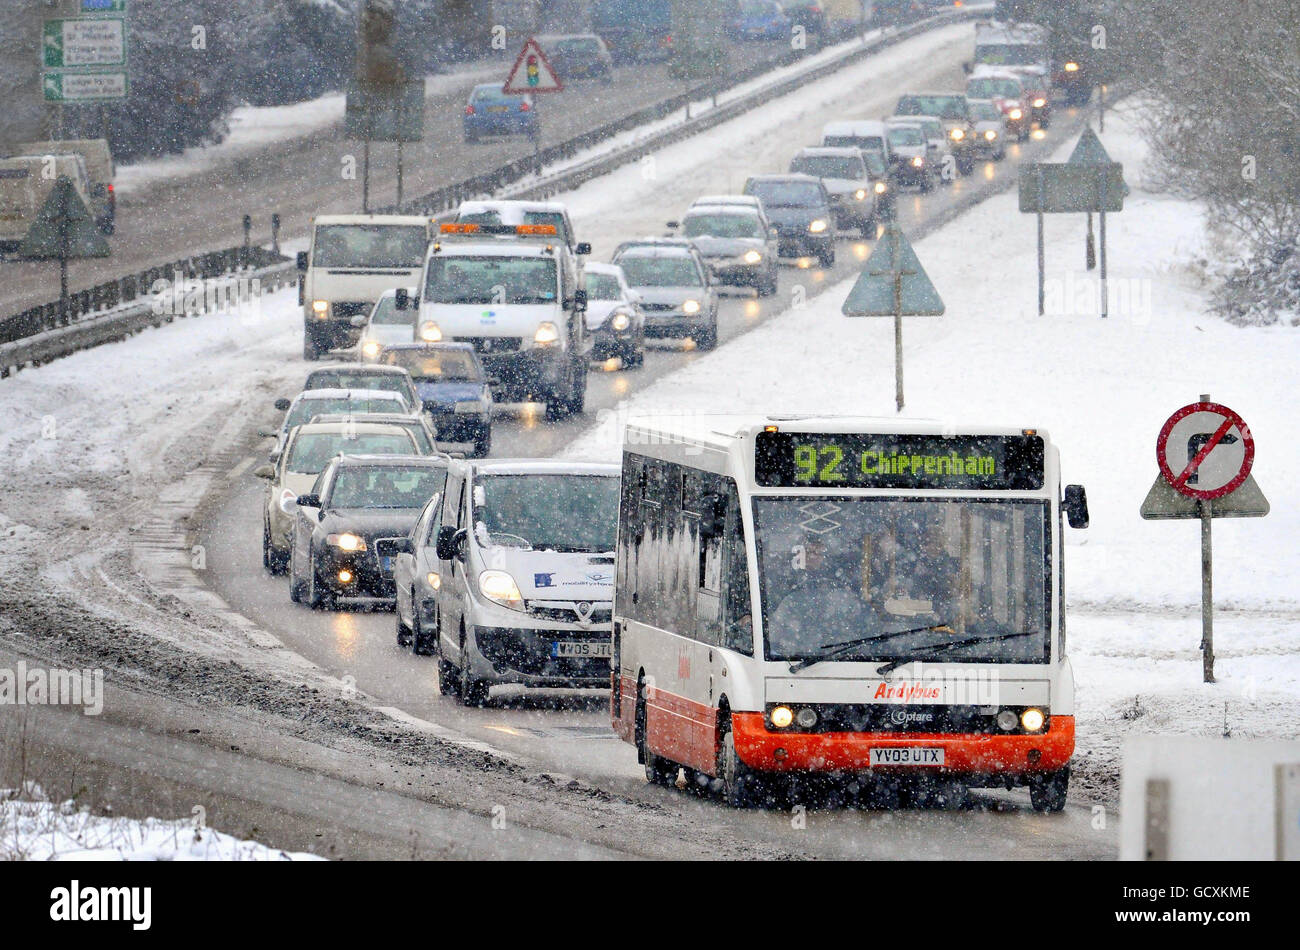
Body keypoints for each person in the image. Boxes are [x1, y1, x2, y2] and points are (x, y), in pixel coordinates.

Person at [768, 536, 872, 655]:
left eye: (818, 553)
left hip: (838, 647)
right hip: (794, 648)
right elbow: (774, 609)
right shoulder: (788, 579)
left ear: (825, 557)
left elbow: (860, 614)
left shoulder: (839, 581)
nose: (812, 556)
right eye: (809, 552)